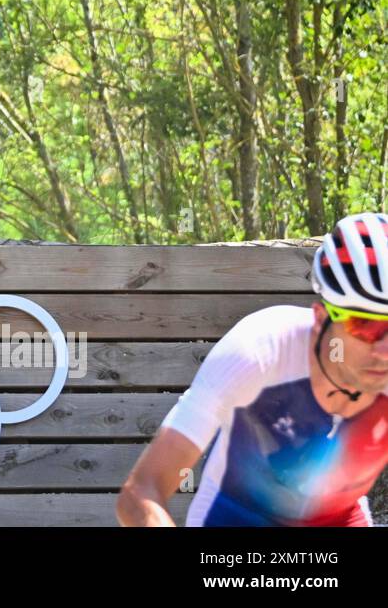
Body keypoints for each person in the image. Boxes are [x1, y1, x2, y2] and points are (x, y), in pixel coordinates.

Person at [117, 212, 388, 527]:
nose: (384, 351)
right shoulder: (259, 351)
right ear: (320, 318)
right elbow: (141, 493)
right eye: (365, 326)